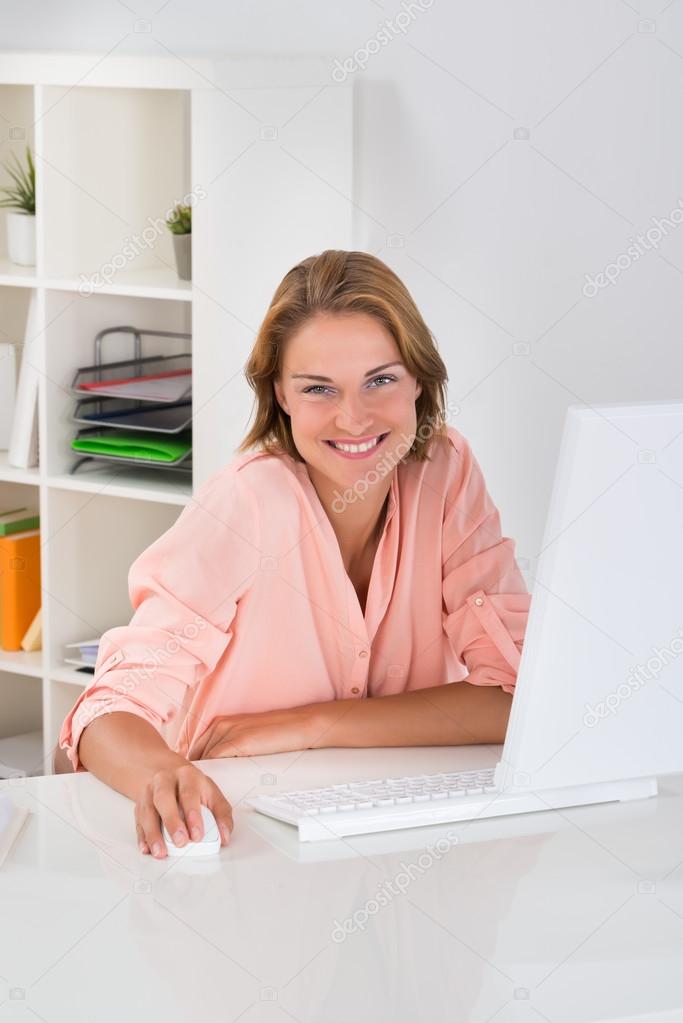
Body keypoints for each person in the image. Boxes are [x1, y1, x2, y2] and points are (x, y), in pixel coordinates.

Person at [56, 249, 531, 858]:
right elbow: (109, 710)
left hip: (386, 824)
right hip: (232, 835)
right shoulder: (248, 503)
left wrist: (312, 724)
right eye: (318, 389)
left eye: (380, 380)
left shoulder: (447, 470)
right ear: (280, 394)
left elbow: (516, 697)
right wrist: (158, 772)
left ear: (419, 378)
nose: (353, 418)